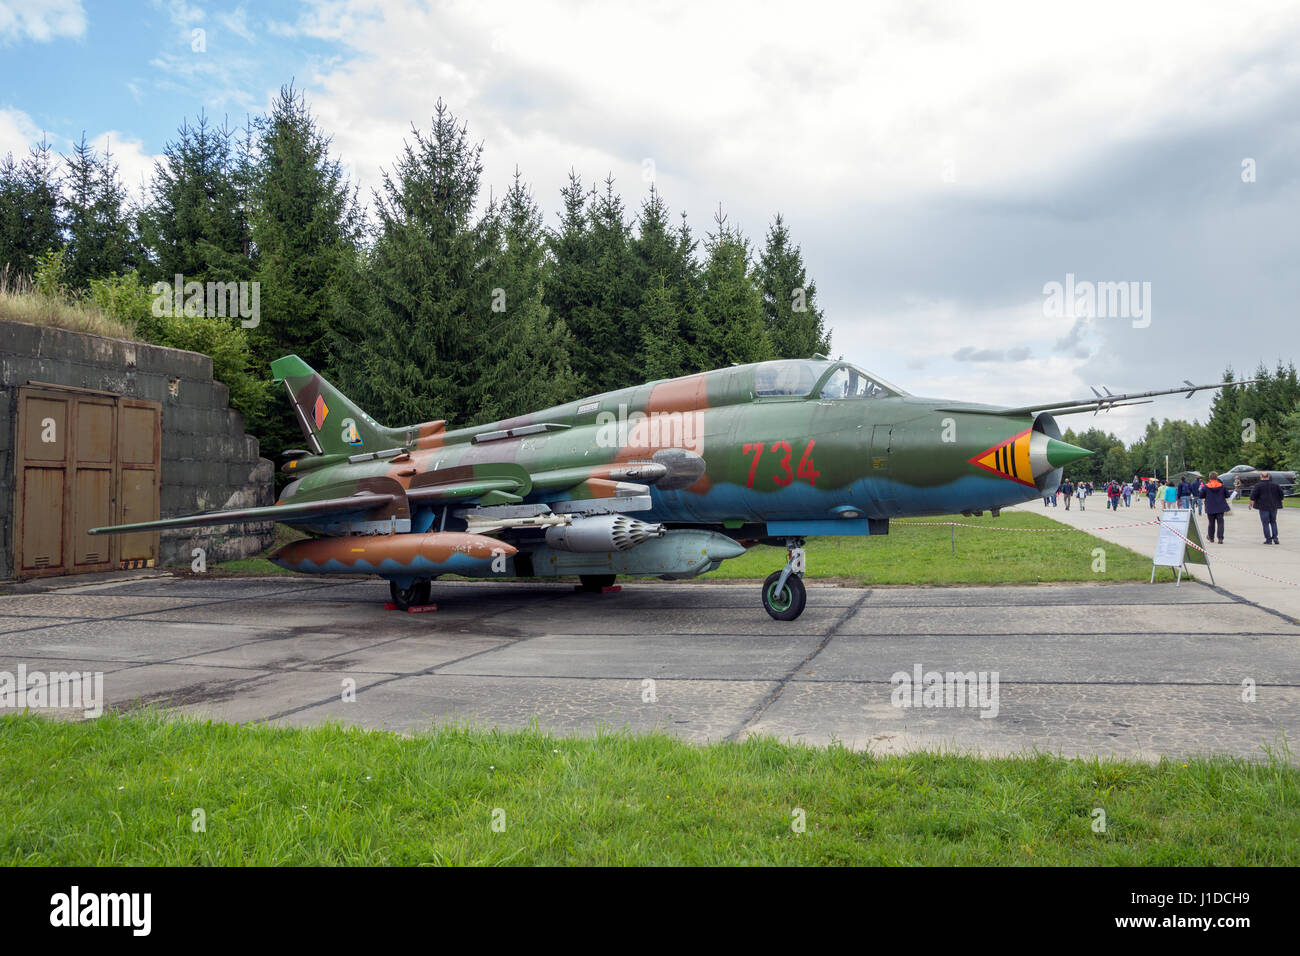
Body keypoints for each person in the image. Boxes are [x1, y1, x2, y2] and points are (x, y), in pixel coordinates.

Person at [1249, 471, 1283, 545]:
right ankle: (1275, 538)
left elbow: (1253, 496)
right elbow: (1281, 495)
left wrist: (1250, 504)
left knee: (1265, 523)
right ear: (1268, 477)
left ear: (1261, 477)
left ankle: (1268, 539)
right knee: (1273, 522)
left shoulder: (1258, 485)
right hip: (1274, 506)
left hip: (1263, 506)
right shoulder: (1276, 485)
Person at [1203, 472, 1229, 544]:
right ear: (1217, 478)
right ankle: (1220, 538)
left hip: (1210, 507)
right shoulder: (1222, 486)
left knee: (1211, 523)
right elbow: (1227, 495)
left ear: (1209, 478)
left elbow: (1201, 495)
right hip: (1220, 507)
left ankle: (1211, 538)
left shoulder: (1206, 486)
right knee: (1220, 523)